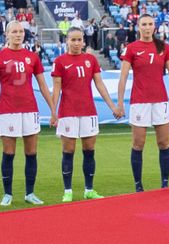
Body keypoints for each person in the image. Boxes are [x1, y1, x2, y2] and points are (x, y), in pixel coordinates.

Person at [0, 20, 56, 206]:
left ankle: (30, 193)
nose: (18, 34)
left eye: (21, 31)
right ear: (7, 34)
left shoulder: (32, 57)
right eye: (14, 31)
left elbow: (43, 85)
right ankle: (8, 194)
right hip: (8, 110)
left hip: (30, 109)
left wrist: (54, 109)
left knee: (31, 152)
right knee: (8, 153)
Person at [52, 25, 121, 201]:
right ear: (67, 41)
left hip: (88, 111)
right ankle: (68, 191)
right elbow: (57, 89)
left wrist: (112, 106)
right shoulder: (60, 61)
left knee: (89, 150)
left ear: (83, 41)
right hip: (68, 112)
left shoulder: (91, 60)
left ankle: (88, 189)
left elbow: (99, 84)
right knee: (68, 151)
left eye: (79, 39)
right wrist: (54, 112)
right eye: (73, 39)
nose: (76, 43)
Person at [117, 13, 169, 192]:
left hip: (160, 101)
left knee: (164, 143)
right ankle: (138, 185)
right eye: (144, 24)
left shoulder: (163, 47)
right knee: (138, 144)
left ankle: (165, 184)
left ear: (155, 27)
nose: (147, 27)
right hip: (139, 102)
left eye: (150, 24)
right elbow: (123, 77)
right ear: (139, 27)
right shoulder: (131, 48)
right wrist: (120, 103)